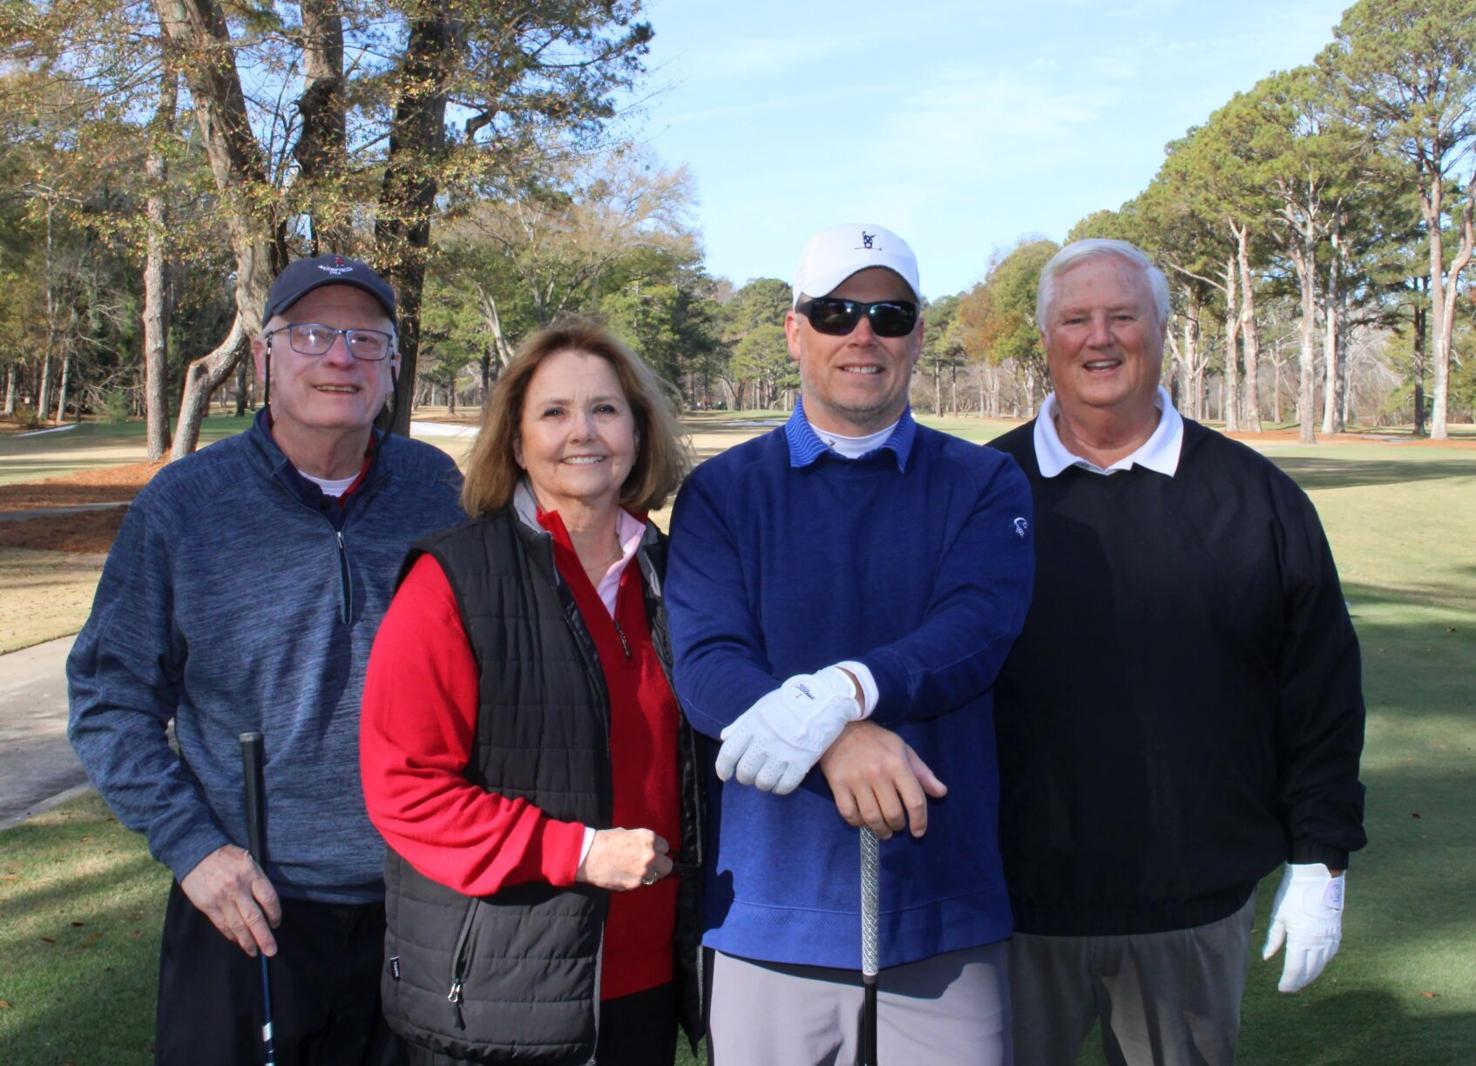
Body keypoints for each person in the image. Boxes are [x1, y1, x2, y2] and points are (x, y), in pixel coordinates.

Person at [67, 253, 466, 1065]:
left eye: (365, 338)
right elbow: (110, 700)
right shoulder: (183, 507)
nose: (339, 357)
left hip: (421, 907)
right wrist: (194, 850)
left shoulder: (439, 492)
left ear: (393, 365)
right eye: (312, 333)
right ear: (264, 357)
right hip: (247, 911)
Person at [989, 238, 1367, 1066]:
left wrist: (1321, 860)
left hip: (1191, 911)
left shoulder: (1258, 500)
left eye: (1123, 316)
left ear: (1161, 330)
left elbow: (1320, 695)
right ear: (1046, 338)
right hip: (1009, 911)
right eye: (1076, 319)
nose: (1100, 338)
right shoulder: (979, 492)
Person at [665, 223, 1034, 1065]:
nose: (862, 333)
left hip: (945, 911)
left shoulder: (983, 482)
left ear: (917, 335)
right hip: (771, 911)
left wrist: (848, 690)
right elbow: (709, 668)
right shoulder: (722, 493)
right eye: (835, 312)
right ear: (795, 332)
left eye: (888, 313)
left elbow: (976, 630)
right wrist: (836, 736)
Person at [357, 321, 704, 1065]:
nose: (583, 431)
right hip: (502, 997)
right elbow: (404, 790)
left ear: (640, 433)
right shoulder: (452, 582)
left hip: (645, 983)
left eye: (607, 409)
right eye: (553, 412)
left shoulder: (675, 576)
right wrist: (573, 851)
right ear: (515, 444)